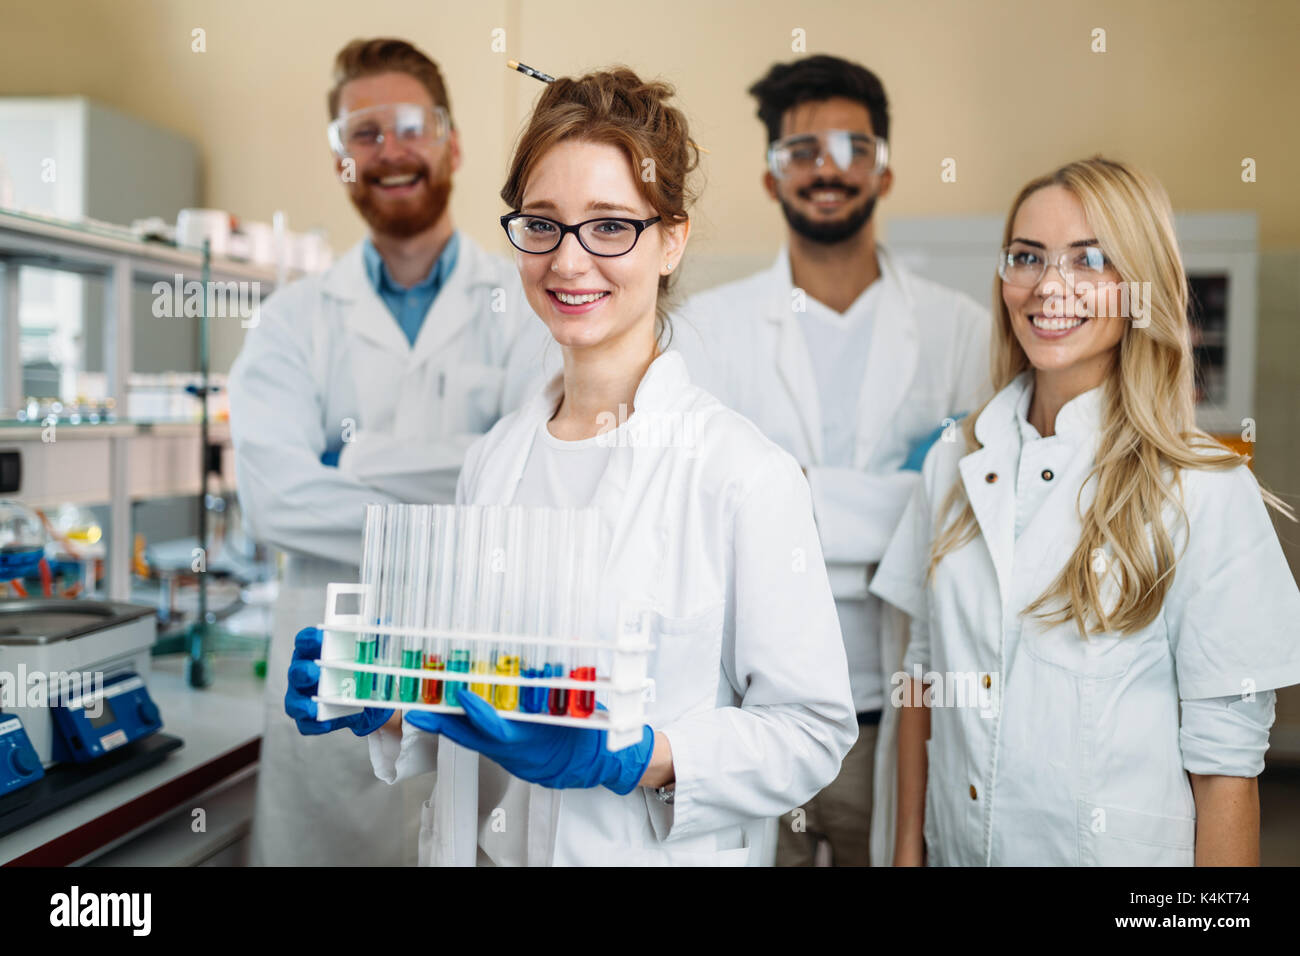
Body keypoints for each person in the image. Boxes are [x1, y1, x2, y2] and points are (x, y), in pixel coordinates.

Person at [286, 66, 857, 865]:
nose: (569, 259)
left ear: (671, 240)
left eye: (610, 225)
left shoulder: (740, 473)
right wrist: (379, 698)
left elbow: (811, 730)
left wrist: (641, 756)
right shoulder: (494, 462)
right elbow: (478, 702)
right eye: (543, 223)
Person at [871, 156, 1300, 866]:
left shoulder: (1204, 487)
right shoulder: (954, 460)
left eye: (1090, 260)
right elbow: (921, 680)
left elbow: (1228, 769)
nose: (1050, 287)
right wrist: (907, 858)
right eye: (1027, 257)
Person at [229, 38, 547, 866]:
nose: (390, 151)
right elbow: (274, 502)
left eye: (411, 126)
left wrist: (354, 461)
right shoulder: (293, 323)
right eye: (362, 134)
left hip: (477, 680)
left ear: (452, 142)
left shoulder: (527, 305)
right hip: (329, 694)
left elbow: (533, 486)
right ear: (340, 160)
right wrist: (468, 483)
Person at [670, 55, 990, 866]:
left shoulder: (962, 332)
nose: (827, 168)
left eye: (851, 147)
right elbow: (696, 512)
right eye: (801, 151)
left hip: (893, 712)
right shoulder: (708, 329)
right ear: (773, 178)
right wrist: (895, 510)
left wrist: (793, 503)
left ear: (884, 169)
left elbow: (968, 518)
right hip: (742, 713)